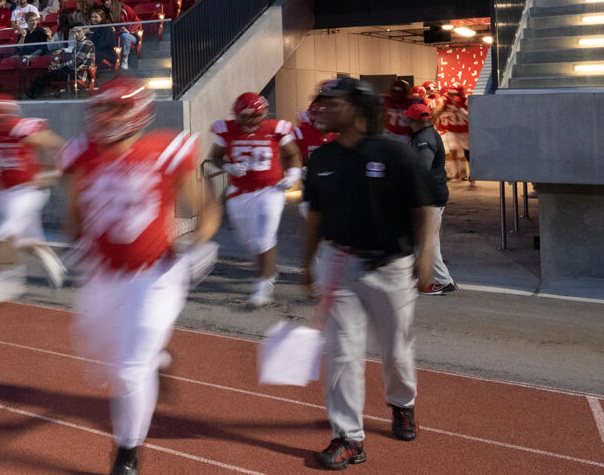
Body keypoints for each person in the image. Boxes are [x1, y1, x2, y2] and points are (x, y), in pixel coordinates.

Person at [62, 77, 221, 475]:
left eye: (113, 109)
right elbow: (74, 211)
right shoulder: (82, 153)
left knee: (129, 370)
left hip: (156, 275)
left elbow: (205, 206)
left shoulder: (167, 149)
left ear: (136, 113)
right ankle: (159, 355)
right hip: (103, 272)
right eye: (100, 108)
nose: (103, 117)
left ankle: (127, 453)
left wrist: (199, 244)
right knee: (100, 363)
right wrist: (77, 243)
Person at [300, 76, 435, 470]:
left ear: (357, 109)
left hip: (390, 269)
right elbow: (314, 217)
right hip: (339, 265)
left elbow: (422, 208)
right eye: (320, 102)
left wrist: (425, 258)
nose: (321, 108)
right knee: (342, 352)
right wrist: (307, 263)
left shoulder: (397, 154)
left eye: (331, 102)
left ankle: (402, 403)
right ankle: (348, 438)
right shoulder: (322, 159)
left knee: (396, 350)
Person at [208, 91, 301, 308]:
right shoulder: (226, 129)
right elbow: (215, 157)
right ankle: (267, 271)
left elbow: (293, 154)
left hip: (270, 190)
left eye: (252, 117)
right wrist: (227, 166)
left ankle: (263, 283)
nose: (247, 121)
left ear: (262, 114)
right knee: (249, 240)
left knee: (264, 238)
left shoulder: (276, 128)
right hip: (239, 192)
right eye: (243, 117)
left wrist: (294, 175)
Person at [0, 96, 66, 310]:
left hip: (28, 189)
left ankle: (4, 284)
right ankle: (49, 259)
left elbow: (58, 145)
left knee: (5, 233)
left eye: (0, 119)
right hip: (5, 192)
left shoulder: (21, 129)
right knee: (24, 240)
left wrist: (52, 173)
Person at [406, 98, 456, 296]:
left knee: (428, 240)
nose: (408, 123)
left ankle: (442, 281)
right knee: (426, 239)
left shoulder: (424, 139)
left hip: (430, 197)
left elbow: (422, 169)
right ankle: (438, 279)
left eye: (410, 120)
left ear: (416, 121)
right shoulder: (425, 134)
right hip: (432, 194)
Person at [438, 85, 469, 183]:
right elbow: (437, 113)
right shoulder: (446, 102)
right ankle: (456, 173)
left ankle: (469, 173)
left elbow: (470, 117)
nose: (451, 97)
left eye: (454, 94)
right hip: (452, 130)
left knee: (467, 153)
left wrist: (459, 107)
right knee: (453, 151)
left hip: (465, 130)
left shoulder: (467, 101)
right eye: (450, 94)